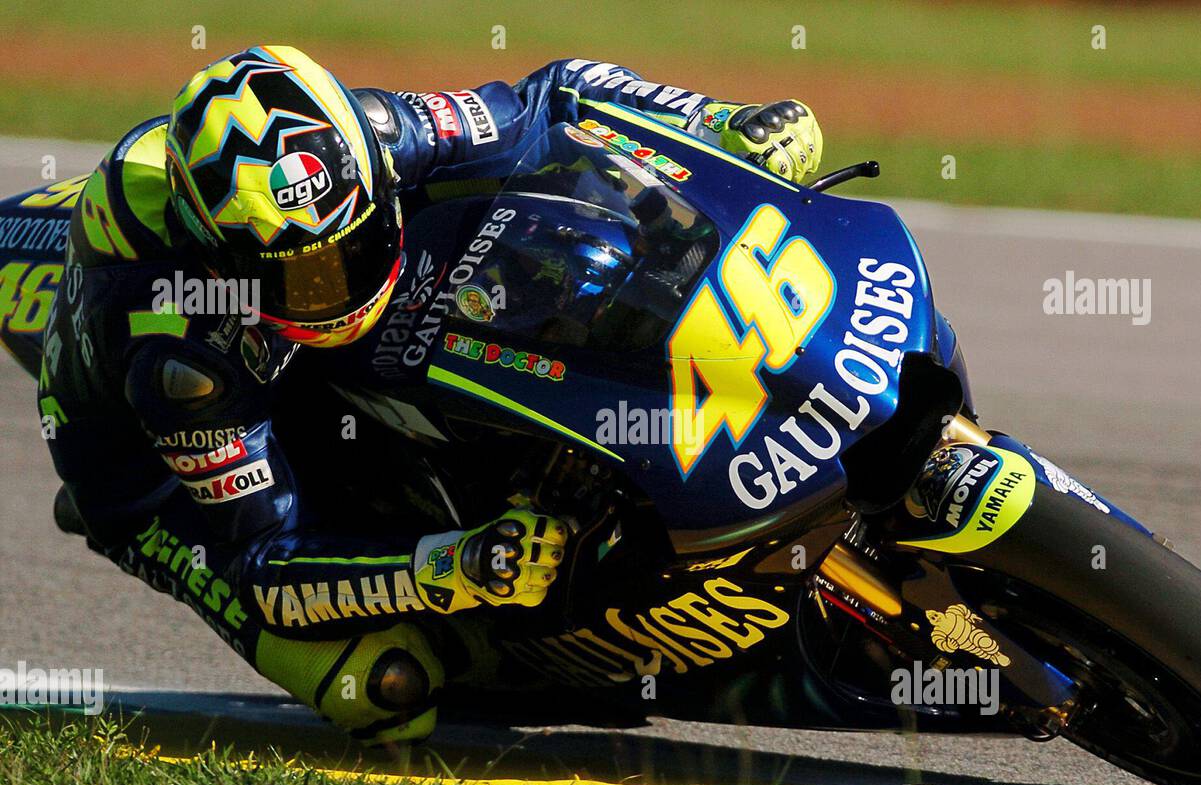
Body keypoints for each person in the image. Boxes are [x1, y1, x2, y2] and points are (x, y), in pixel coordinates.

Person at [37, 46, 824, 744]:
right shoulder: (185, 355)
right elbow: (262, 562)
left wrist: (723, 121)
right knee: (387, 689)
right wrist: (444, 568)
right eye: (304, 277)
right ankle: (491, 640)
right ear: (226, 272)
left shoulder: (372, 133)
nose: (336, 284)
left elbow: (557, 95)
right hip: (154, 485)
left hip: (286, 345)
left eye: (352, 246)